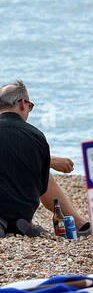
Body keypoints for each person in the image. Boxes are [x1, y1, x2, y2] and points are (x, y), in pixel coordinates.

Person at [0, 81, 52, 236]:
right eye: (30, 107)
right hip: (24, 211)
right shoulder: (38, 137)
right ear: (23, 104)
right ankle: (21, 223)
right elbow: (43, 186)